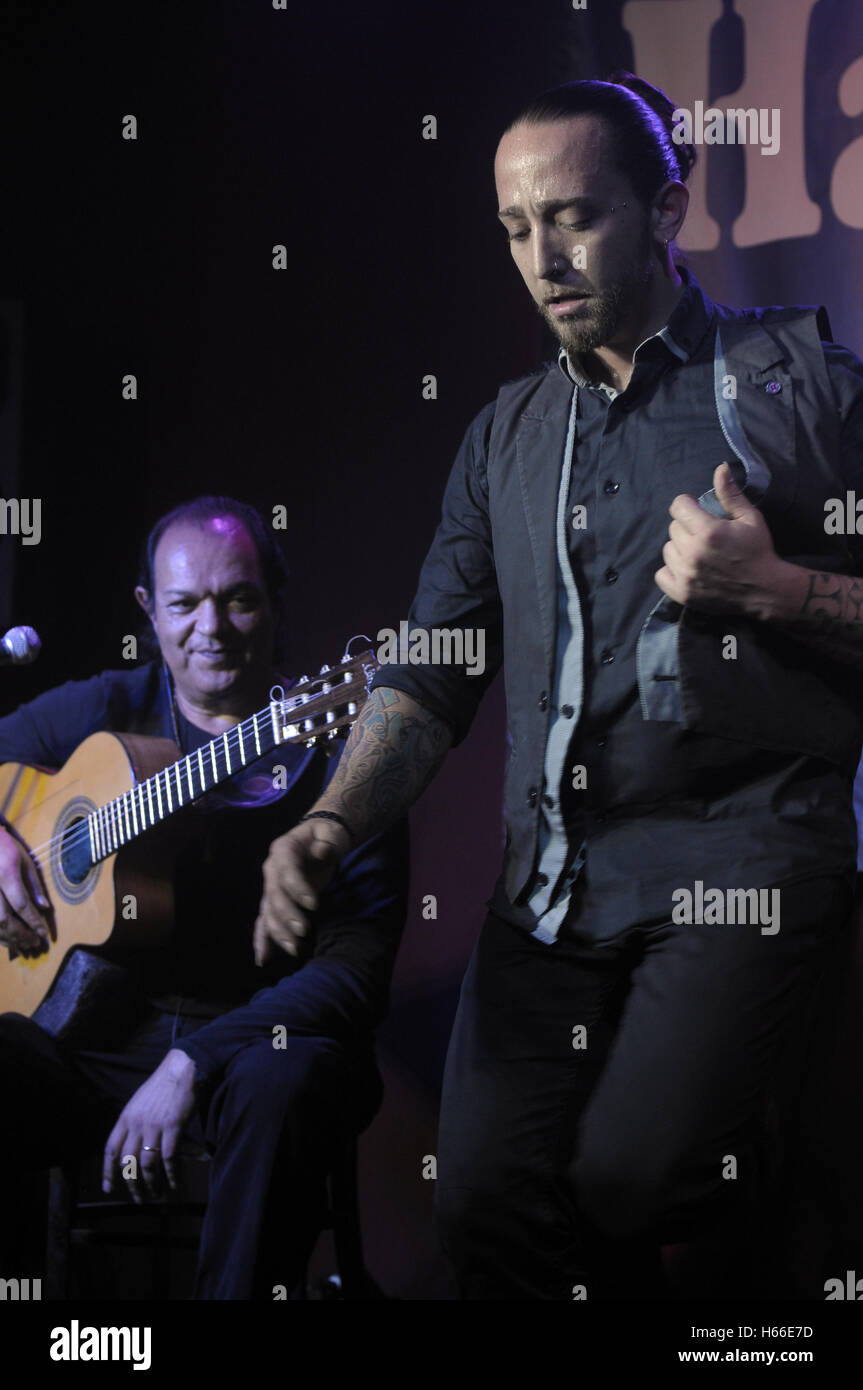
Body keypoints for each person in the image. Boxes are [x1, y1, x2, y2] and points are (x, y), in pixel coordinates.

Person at [255, 73, 863, 1300]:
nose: (543, 257)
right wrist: (332, 818)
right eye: (515, 229)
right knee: (485, 1215)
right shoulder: (505, 436)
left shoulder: (804, 386)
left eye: (574, 218)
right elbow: (430, 673)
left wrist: (773, 591)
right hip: (549, 899)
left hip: (735, 868)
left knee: (631, 1182)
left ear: (667, 210)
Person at [0, 496, 408, 1299]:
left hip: (259, 1050)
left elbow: (356, 972)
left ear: (277, 604)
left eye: (239, 599)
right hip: (93, 1043)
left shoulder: (347, 759)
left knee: (281, 1085)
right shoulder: (109, 707)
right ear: (151, 612)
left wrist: (197, 1059)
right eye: (185, 604)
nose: (211, 629)